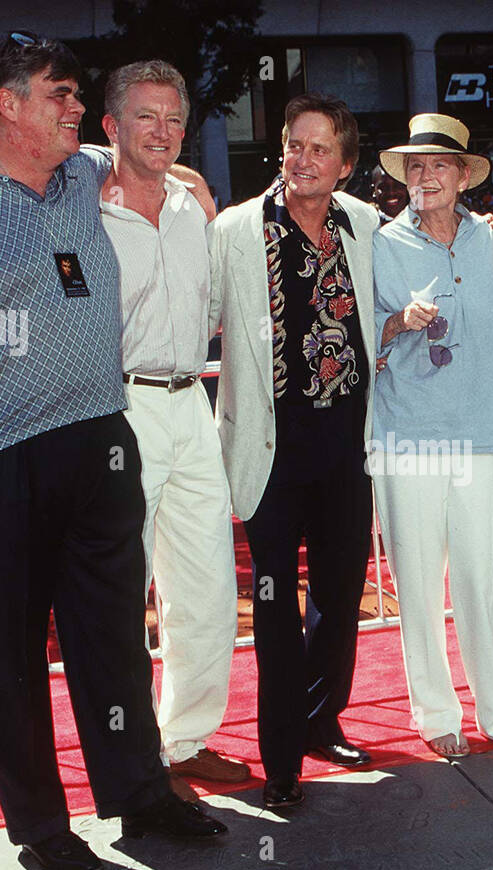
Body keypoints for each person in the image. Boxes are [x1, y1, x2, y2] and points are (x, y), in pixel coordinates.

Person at [0, 30, 227, 870]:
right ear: (9, 104)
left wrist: (195, 183)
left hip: (99, 441)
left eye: (78, 96)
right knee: (6, 650)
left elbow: (160, 154)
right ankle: (38, 822)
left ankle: (140, 793)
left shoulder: (83, 172)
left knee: (111, 636)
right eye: (60, 94)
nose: (77, 107)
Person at [207, 93, 379, 809]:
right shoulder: (236, 230)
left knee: (338, 600)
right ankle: (280, 760)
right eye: (294, 144)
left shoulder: (365, 225)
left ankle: (320, 722)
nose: (302, 160)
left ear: (345, 164)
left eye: (319, 149)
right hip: (269, 447)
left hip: (347, 445)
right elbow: (196, 316)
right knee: (275, 605)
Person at [98, 61, 247, 792]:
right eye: (144, 117)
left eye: (173, 119)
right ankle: (129, 756)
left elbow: (220, 305)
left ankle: (185, 740)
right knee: (118, 588)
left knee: (208, 586)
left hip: (192, 403)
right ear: (111, 126)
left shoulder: (196, 206)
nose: (161, 132)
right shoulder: (81, 207)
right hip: (117, 407)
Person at [371, 113, 493, 758]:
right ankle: (437, 715)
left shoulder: (491, 241)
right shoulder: (380, 243)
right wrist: (396, 322)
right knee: (417, 578)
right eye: (415, 166)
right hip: (409, 431)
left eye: (439, 165)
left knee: (482, 576)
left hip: (481, 428)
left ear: (464, 176)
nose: (425, 176)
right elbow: (356, 333)